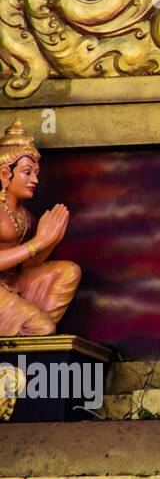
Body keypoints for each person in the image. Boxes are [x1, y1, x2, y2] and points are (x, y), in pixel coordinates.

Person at [0, 120, 80, 335]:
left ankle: (33, 335)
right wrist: (37, 243)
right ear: (5, 175)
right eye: (27, 172)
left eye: (36, 173)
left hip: (13, 283)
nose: (34, 179)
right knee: (41, 326)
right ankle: (34, 333)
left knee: (68, 272)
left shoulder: (25, 216)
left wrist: (50, 242)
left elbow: (26, 267)